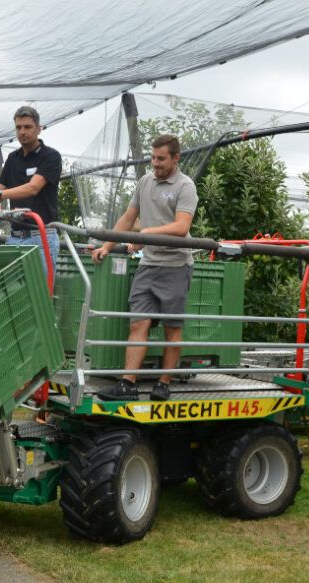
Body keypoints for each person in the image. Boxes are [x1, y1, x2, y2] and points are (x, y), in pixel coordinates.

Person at [90, 134, 198, 402]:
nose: (155, 163)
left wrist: (146, 234)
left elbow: (182, 226)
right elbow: (128, 219)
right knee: (138, 322)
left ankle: (164, 383)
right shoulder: (145, 182)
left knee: (172, 327)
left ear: (176, 158)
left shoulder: (185, 186)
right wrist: (106, 246)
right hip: (148, 265)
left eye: (161, 159)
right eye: (153, 158)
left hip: (175, 266)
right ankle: (128, 384)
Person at [0, 106, 63, 275]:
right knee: (12, 289)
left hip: (41, 237)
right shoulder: (13, 159)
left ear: (38, 129)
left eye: (27, 127)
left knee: (40, 289)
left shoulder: (51, 156)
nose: (22, 132)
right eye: (18, 127)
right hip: (15, 237)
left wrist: (0, 194)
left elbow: (33, 188)